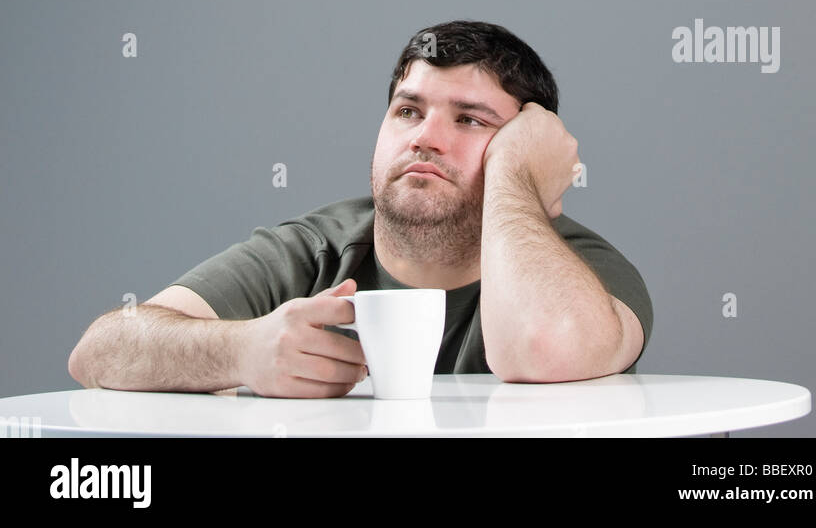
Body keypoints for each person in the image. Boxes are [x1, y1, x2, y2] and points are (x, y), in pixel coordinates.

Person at [68, 20, 653, 398]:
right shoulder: (316, 250)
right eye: (407, 111)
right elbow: (100, 350)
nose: (425, 137)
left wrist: (516, 176)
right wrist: (241, 349)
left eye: (470, 120)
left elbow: (543, 347)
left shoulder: (580, 269)